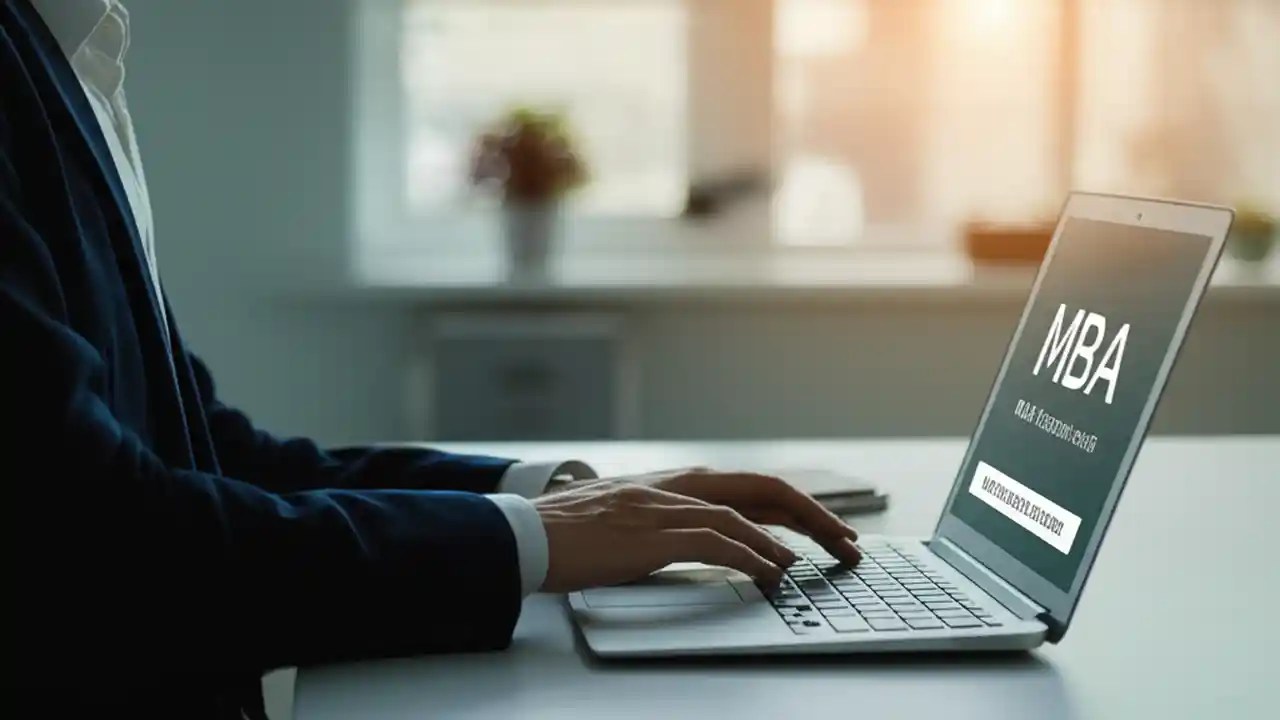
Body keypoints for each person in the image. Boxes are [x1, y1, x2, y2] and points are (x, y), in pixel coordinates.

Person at [1, 1, 861, 716]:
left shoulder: (65, 51)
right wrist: (527, 539)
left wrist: (554, 499)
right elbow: (101, 546)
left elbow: (214, 452)